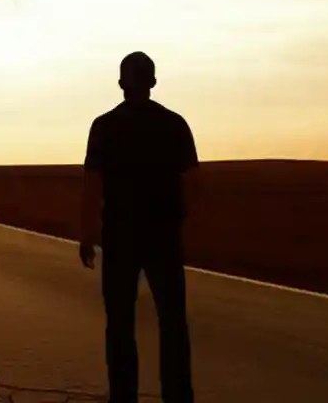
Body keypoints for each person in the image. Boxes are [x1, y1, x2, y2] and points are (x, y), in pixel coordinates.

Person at [79, 52, 197, 403]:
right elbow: (193, 182)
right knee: (173, 323)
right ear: (153, 82)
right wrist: (188, 229)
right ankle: (178, 396)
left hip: (121, 237)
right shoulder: (174, 124)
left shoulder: (104, 126)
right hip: (164, 236)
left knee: (119, 325)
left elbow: (92, 185)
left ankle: (123, 396)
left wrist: (87, 236)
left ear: (120, 84)